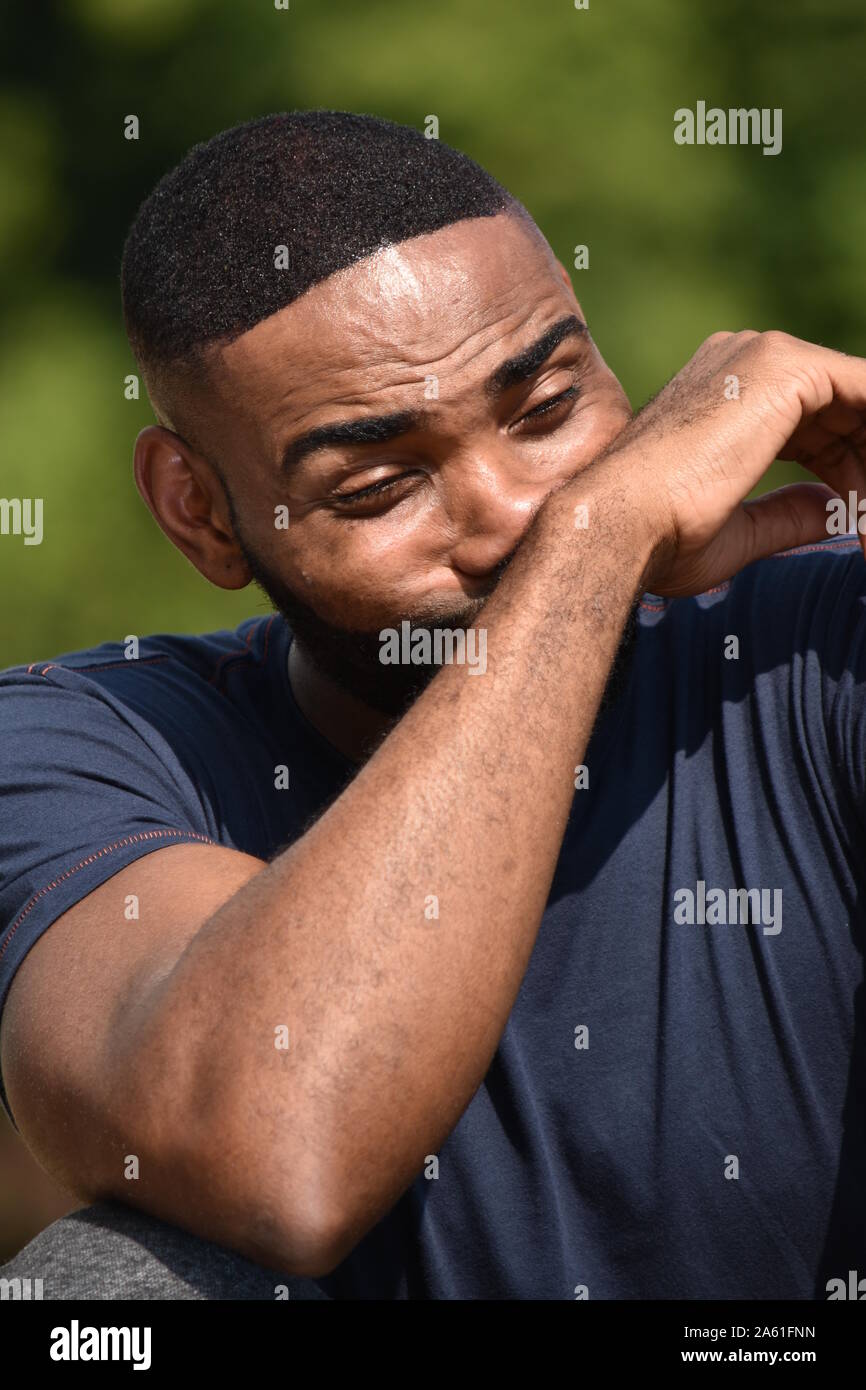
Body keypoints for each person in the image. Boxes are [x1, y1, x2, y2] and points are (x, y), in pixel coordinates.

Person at [1, 110, 865, 1301]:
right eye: (379, 483)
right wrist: (596, 534)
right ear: (201, 513)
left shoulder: (816, 652)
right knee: (103, 1293)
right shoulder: (91, 741)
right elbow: (277, 1153)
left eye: (549, 406)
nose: (513, 513)